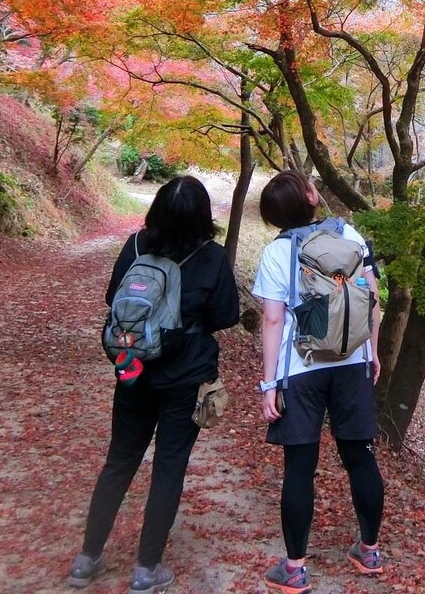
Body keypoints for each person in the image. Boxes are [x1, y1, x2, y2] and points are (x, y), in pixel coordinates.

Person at [67, 175, 240, 594]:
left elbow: (114, 299)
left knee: (120, 460)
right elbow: (227, 315)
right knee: (169, 465)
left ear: (157, 210)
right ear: (203, 217)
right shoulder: (212, 256)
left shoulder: (136, 246)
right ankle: (146, 569)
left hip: (133, 369)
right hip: (186, 376)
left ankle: (86, 558)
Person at [253, 170, 385, 593]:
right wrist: (373, 352)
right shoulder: (350, 235)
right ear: (312, 196)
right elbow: (374, 297)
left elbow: (273, 320)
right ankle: (369, 551)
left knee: (299, 468)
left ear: (272, 217)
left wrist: (268, 383)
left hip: (301, 369)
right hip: (352, 364)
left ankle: (293, 569)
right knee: (361, 458)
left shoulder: (276, 254)